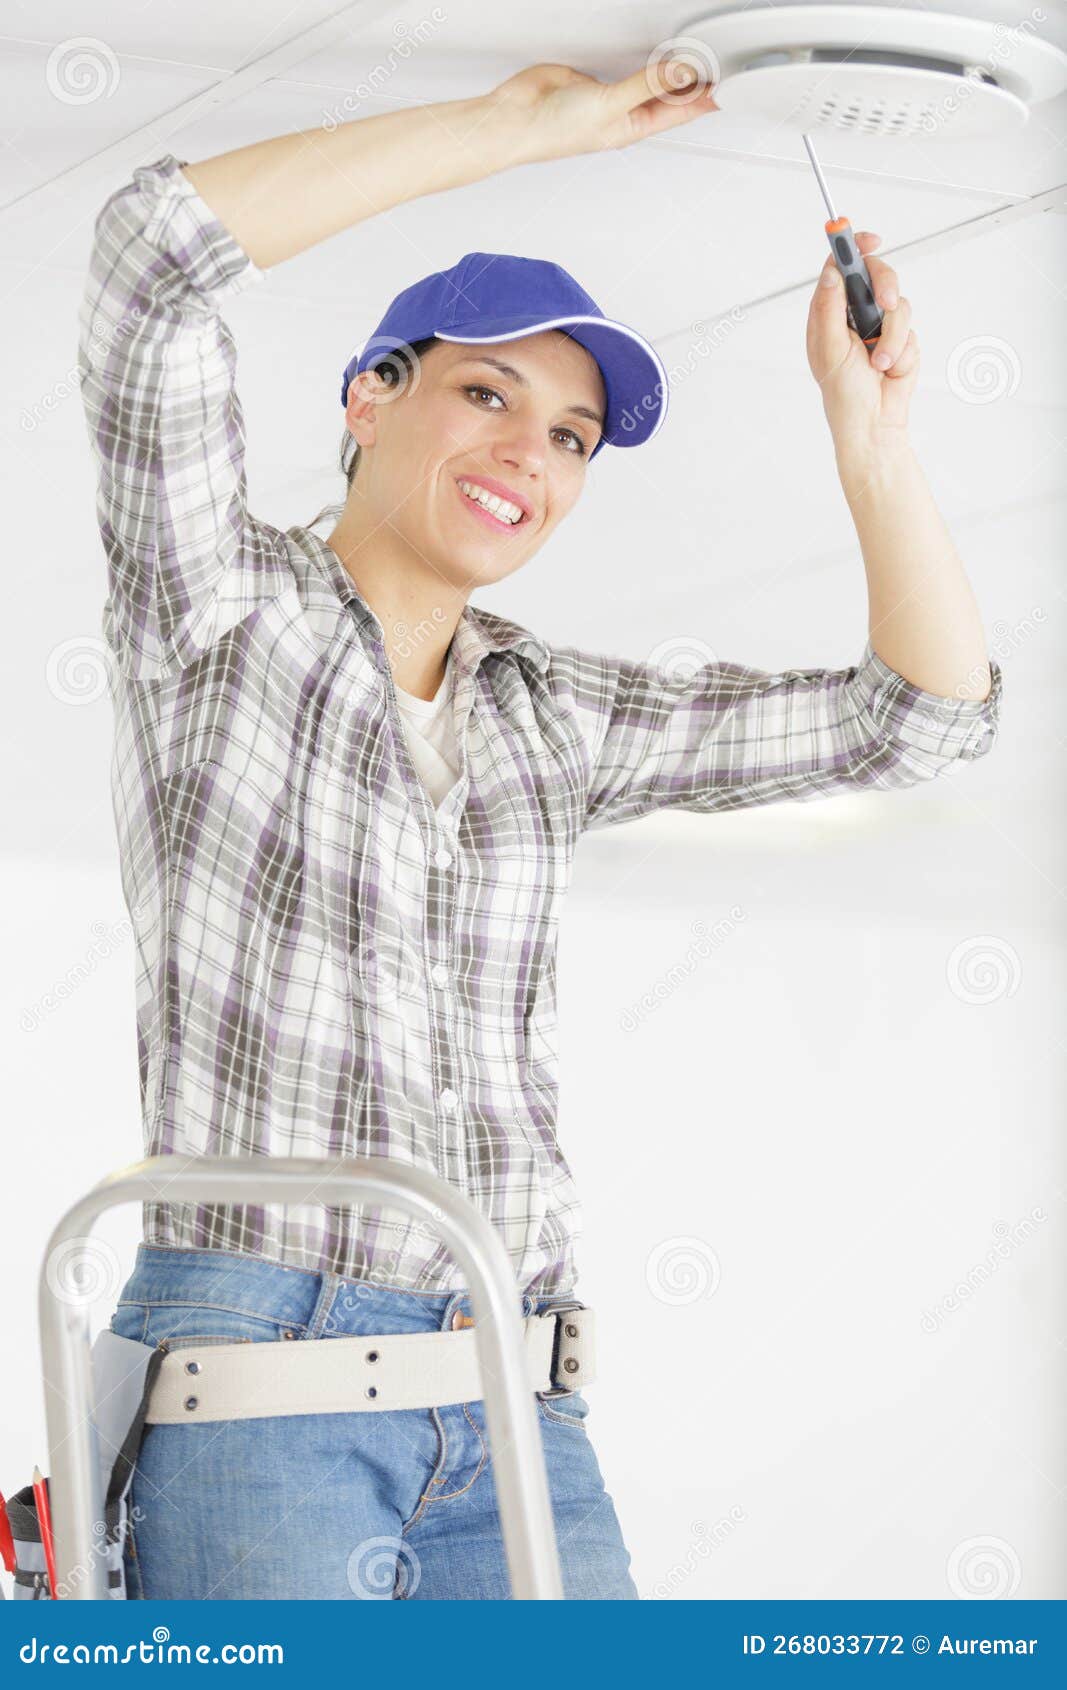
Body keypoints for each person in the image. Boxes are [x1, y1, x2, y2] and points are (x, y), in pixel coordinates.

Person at [79, 62, 1002, 1601]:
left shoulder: (546, 712)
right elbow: (145, 252)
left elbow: (922, 716)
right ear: (371, 397)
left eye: (572, 434)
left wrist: (873, 438)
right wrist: (532, 127)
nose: (530, 453)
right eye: (488, 394)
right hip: (261, 1394)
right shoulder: (220, 612)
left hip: (520, 1405)